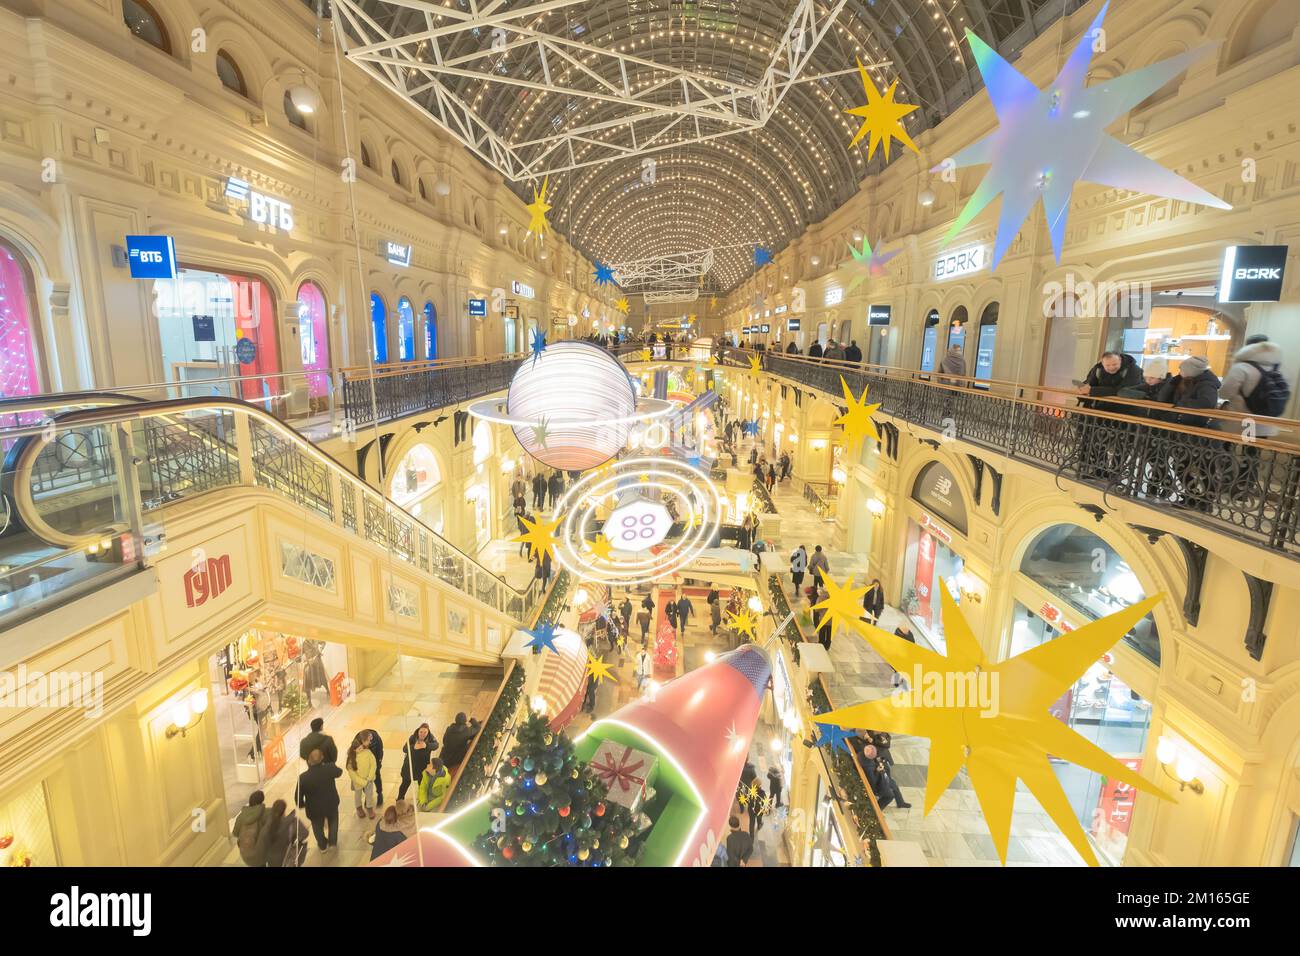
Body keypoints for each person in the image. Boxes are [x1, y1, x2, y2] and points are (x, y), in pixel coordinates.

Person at [1218, 334, 1288, 437]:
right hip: (1266, 423)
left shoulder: (1241, 367)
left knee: (1228, 449)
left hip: (1240, 420)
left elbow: (1225, 393)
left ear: (1247, 348)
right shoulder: (1278, 368)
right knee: (1252, 451)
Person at [1152, 354, 1221, 429]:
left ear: (1191, 371)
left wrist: (1181, 404)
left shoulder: (1207, 384)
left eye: (1182, 370)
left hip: (1192, 426)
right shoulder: (1181, 380)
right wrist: (1172, 383)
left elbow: (1206, 402)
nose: (1180, 372)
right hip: (1178, 421)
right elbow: (1162, 397)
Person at [295, 750, 343, 852]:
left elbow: (298, 797)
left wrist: (302, 804)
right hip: (331, 803)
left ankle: (322, 845)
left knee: (317, 827)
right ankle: (332, 842)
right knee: (333, 821)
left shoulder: (303, 777)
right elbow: (339, 772)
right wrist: (329, 765)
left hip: (314, 808)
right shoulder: (329, 768)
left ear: (308, 761)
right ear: (322, 758)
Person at [861, 743, 911, 809]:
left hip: (881, 776)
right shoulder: (868, 766)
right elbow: (872, 780)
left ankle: (900, 803)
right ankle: (877, 809)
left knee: (894, 785)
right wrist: (878, 770)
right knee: (890, 794)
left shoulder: (864, 756)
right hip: (879, 783)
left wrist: (879, 763)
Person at [397, 723, 438, 802]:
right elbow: (404, 748)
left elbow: (436, 745)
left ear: (428, 732)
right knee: (405, 784)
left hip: (422, 767)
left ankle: (422, 799)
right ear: (418, 731)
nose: (422, 734)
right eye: (421, 732)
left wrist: (426, 745)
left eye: (425, 732)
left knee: (422, 785)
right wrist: (413, 747)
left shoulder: (430, 738)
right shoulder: (412, 738)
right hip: (410, 766)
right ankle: (399, 800)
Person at [232, 790, 268, 866]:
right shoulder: (265, 813)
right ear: (262, 800)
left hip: (245, 853)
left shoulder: (241, 816)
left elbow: (235, 833)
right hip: (260, 853)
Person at [347, 732, 377, 820]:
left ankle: (369, 807)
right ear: (353, 750)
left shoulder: (368, 752)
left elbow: (373, 765)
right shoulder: (351, 759)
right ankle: (359, 808)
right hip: (358, 782)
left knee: (369, 795)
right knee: (358, 795)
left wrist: (369, 778)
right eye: (358, 749)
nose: (360, 749)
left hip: (368, 780)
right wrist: (363, 782)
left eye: (361, 747)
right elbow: (352, 775)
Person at [360, 727, 385, 805]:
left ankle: (379, 794)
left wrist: (379, 763)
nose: (365, 744)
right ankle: (367, 796)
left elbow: (380, 751)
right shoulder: (357, 740)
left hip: (374, 763)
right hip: (363, 766)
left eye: (366, 741)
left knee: (377, 778)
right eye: (363, 742)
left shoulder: (376, 739)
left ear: (370, 738)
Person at [890, 623, 917, 688]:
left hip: (902, 657)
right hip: (902, 657)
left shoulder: (901, 634)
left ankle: (898, 682)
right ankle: (899, 682)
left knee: (899, 670)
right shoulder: (908, 636)